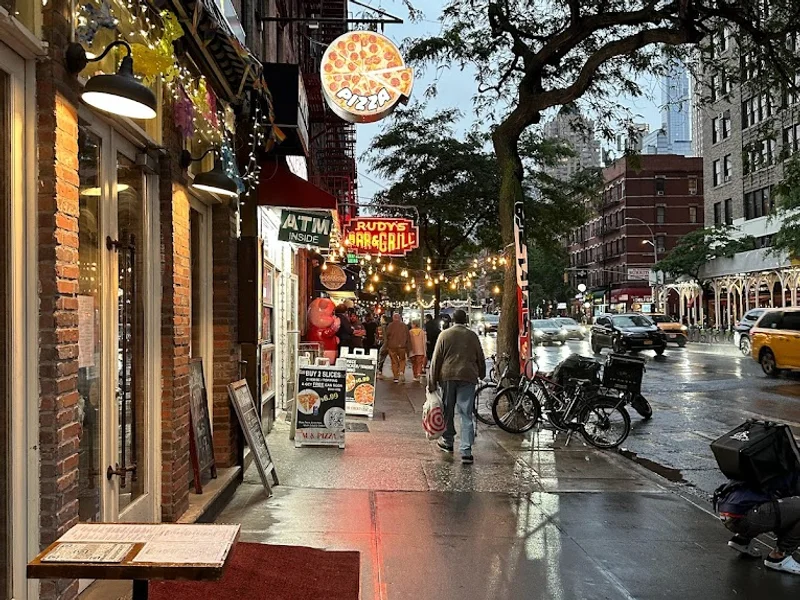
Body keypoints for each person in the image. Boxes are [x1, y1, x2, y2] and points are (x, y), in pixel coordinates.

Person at [428, 309, 486, 464]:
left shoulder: (444, 335)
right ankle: (466, 450)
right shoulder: (472, 336)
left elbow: (436, 359)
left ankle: (448, 441)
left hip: (448, 376)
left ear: (452, 321)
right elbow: (480, 356)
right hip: (468, 376)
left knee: (448, 409)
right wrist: (482, 373)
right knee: (466, 413)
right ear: (465, 321)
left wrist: (431, 381)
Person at [715, 471, 800, 574]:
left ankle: (742, 540)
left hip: (727, 511)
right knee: (789, 506)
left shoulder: (769, 460)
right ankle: (779, 556)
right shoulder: (791, 465)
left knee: (777, 501)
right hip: (746, 517)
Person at [385, 313, 410, 383]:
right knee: (402, 360)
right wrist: (408, 348)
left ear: (393, 318)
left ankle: (395, 377)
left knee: (394, 362)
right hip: (402, 346)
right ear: (399, 318)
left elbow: (386, 336)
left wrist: (386, 346)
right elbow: (408, 337)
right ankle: (401, 371)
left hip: (392, 346)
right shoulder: (404, 326)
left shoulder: (390, 326)